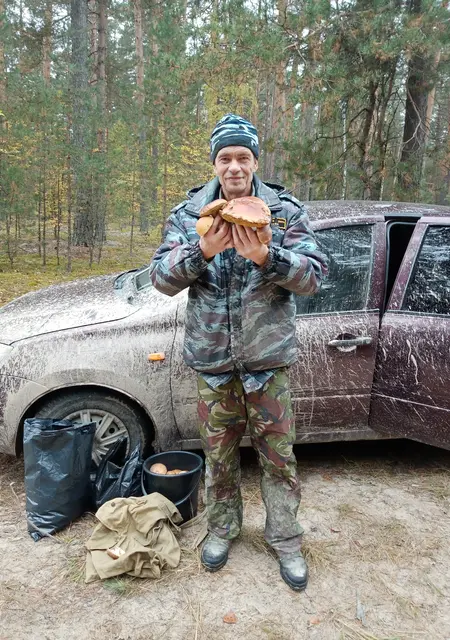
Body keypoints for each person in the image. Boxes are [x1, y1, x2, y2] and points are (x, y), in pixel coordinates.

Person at [149, 113, 328, 591]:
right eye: (225, 157)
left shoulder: (284, 212)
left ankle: (285, 538)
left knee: (279, 458)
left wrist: (268, 258)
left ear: (254, 161)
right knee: (219, 457)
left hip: (267, 364)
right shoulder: (189, 215)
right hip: (213, 365)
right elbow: (161, 280)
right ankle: (223, 530)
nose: (233, 166)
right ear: (214, 162)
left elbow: (314, 277)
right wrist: (201, 252)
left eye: (242, 157)